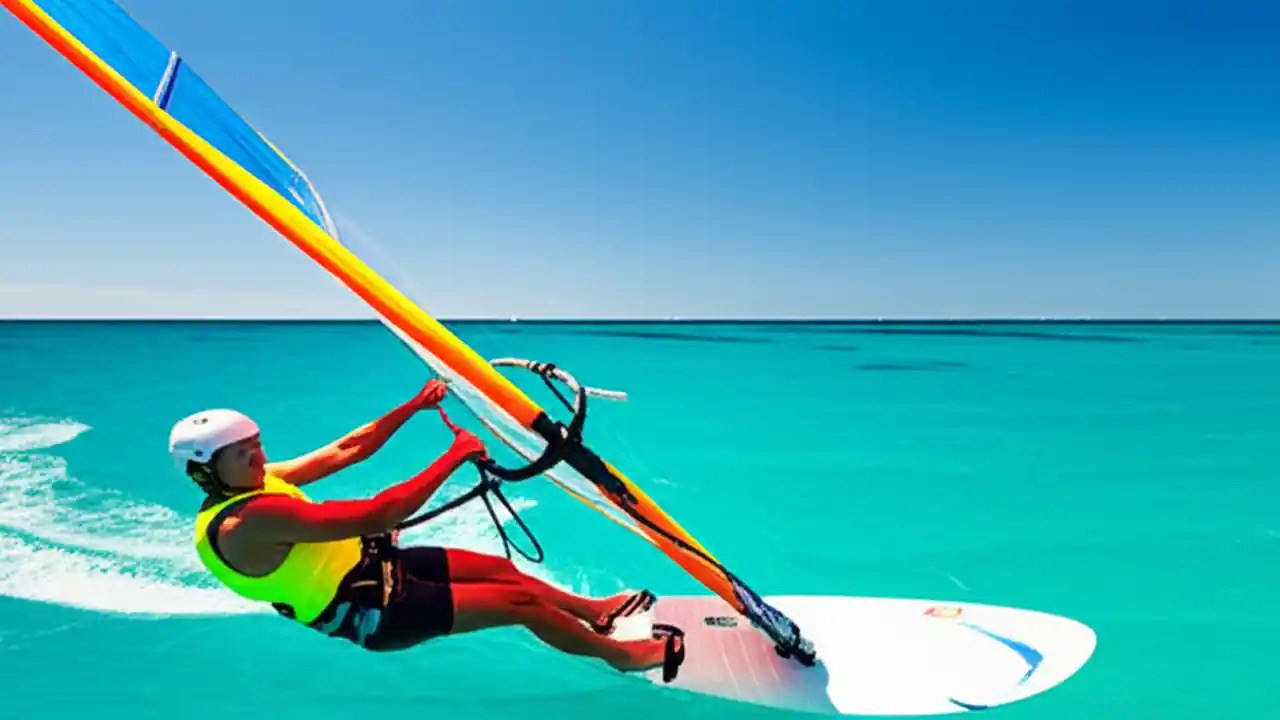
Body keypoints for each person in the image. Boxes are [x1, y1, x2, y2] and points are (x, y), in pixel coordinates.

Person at [170, 379, 684, 677]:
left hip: (375, 566)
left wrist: (413, 408)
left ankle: (593, 612)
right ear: (205, 470)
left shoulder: (260, 482)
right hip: (372, 611)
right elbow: (378, 515)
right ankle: (622, 657)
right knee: (518, 606)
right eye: (244, 453)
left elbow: (346, 449)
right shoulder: (246, 521)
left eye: (258, 444)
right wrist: (454, 456)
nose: (260, 457)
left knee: (500, 569)